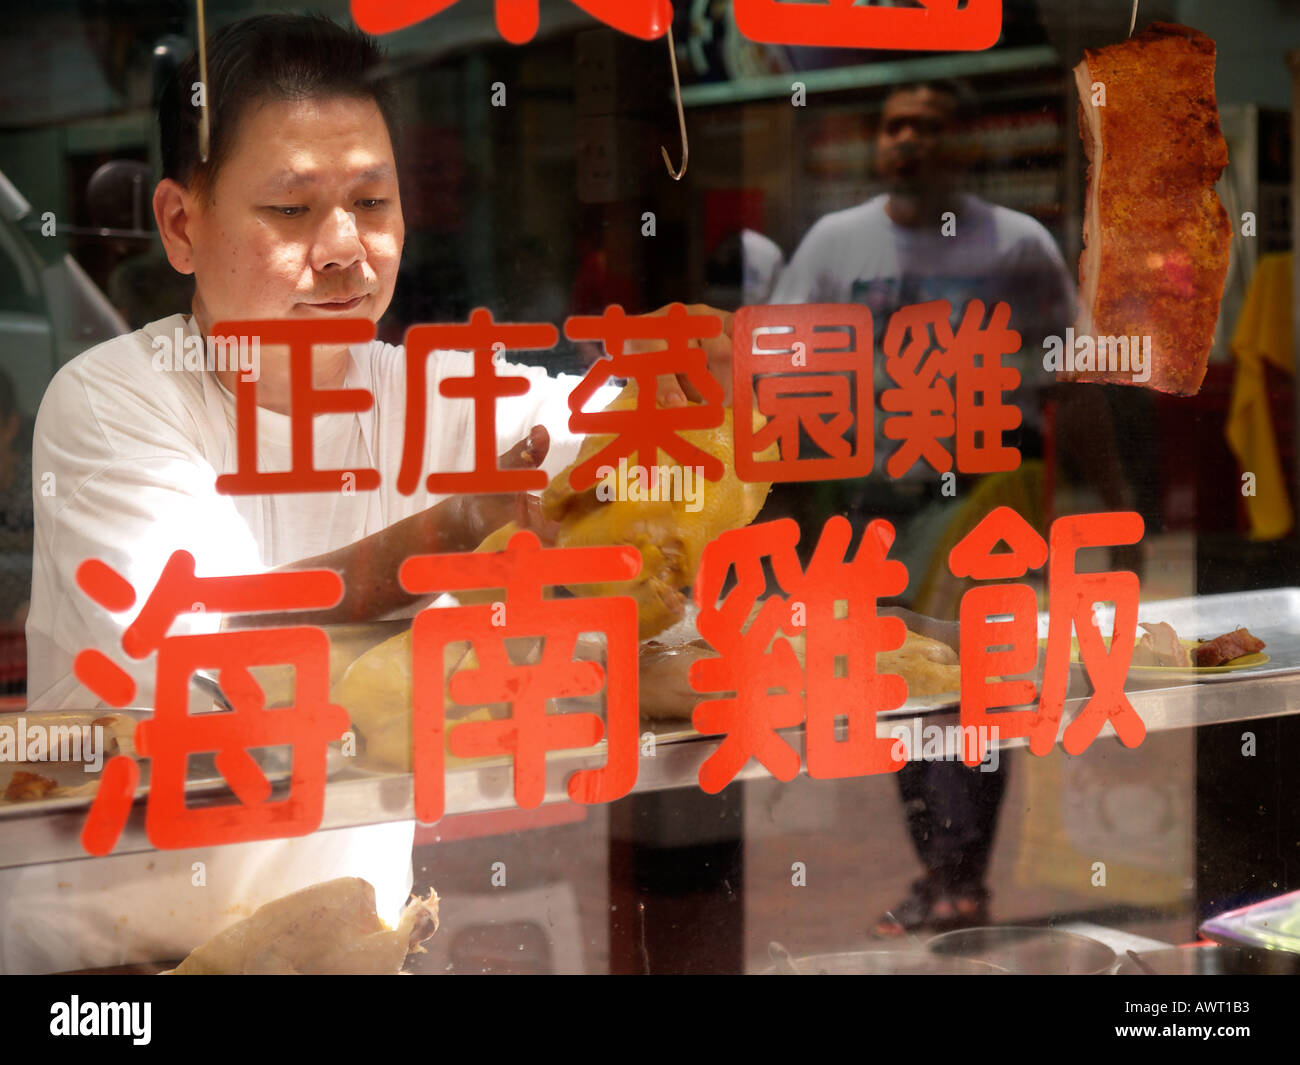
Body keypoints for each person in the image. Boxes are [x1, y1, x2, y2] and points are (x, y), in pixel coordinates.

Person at [5, 15, 732, 973]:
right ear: (182, 225)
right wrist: (453, 528)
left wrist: (695, 384)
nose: (347, 249)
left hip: (341, 944)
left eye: (372, 201)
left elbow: (617, 439)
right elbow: (211, 655)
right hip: (111, 961)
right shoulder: (111, 402)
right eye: (293, 209)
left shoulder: (439, 391)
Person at [771, 79, 1076, 935]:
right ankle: (940, 870)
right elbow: (783, 376)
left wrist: (1112, 510)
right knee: (900, 690)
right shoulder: (837, 243)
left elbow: (1071, 392)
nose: (908, 140)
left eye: (930, 127)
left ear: (964, 144)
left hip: (986, 502)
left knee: (975, 691)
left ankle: (959, 877)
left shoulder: (1018, 245)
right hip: (875, 507)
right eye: (893, 125)